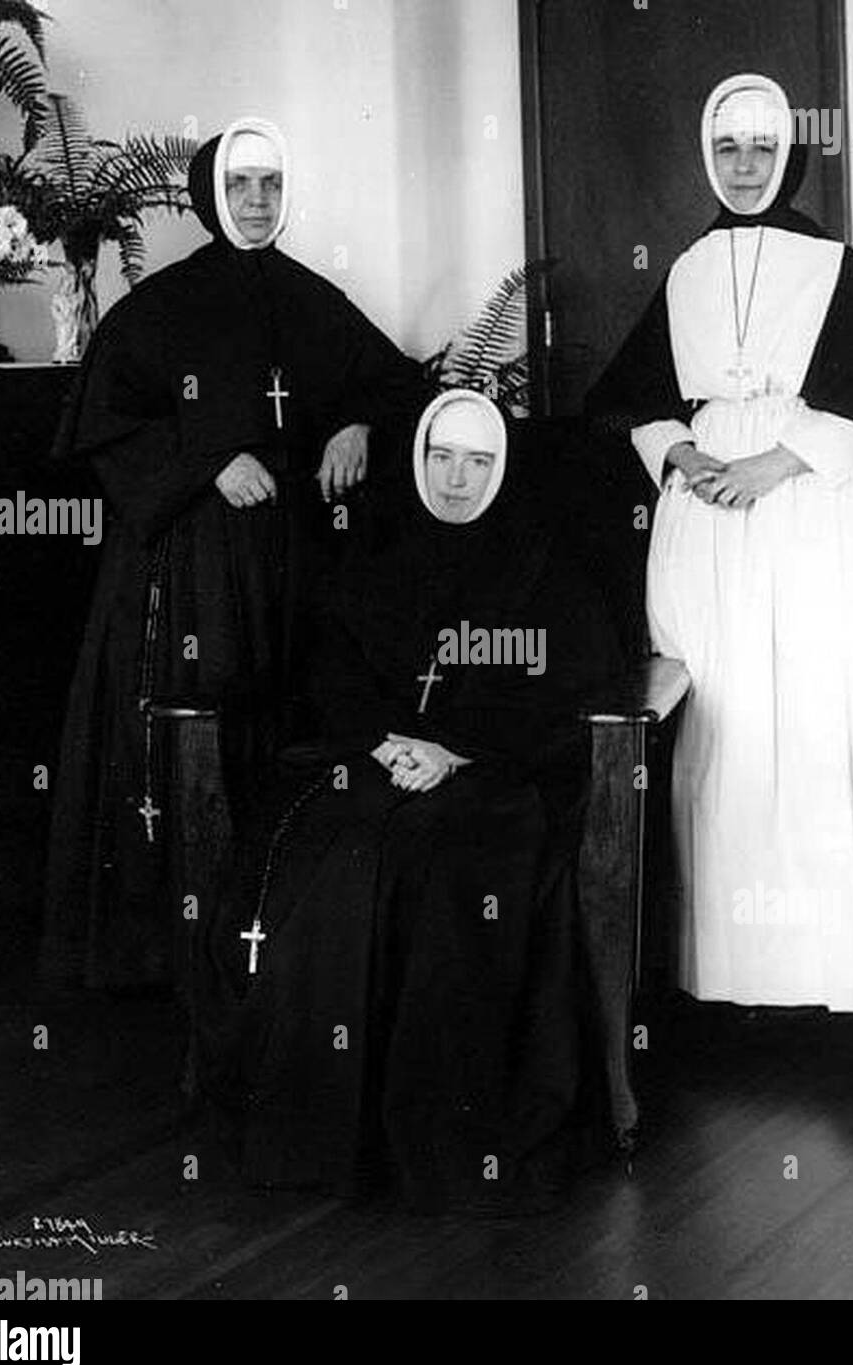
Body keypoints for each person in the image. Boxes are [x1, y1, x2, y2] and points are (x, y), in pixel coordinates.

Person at [585, 74, 853, 1026]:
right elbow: (639, 400)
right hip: (704, 521)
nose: (746, 165)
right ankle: (731, 971)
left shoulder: (839, 267)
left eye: (763, 148)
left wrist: (770, 465)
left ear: (790, 155)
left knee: (814, 715)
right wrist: (681, 455)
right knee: (725, 724)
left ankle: (837, 968)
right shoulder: (683, 272)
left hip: (813, 515)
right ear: (707, 159)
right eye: (728, 150)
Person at [194, 388, 621, 1213]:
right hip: (376, 759)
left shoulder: (546, 567)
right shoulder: (376, 551)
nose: (457, 479)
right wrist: (385, 741)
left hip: (495, 777)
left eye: (478, 462)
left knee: (435, 861)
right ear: (419, 459)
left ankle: (426, 1137)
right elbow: (332, 669)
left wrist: (453, 749)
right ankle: (311, 1130)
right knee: (326, 847)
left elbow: (568, 693)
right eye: (441, 457)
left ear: (503, 470)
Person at [41, 117, 423, 990]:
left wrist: (356, 423)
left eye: (271, 186)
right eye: (242, 185)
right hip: (192, 571)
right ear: (211, 194)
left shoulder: (312, 297)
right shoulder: (161, 307)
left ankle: (280, 941)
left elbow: (395, 381)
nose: (258, 202)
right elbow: (104, 426)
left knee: (291, 733)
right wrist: (209, 462)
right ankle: (179, 951)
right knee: (204, 736)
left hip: (295, 566)